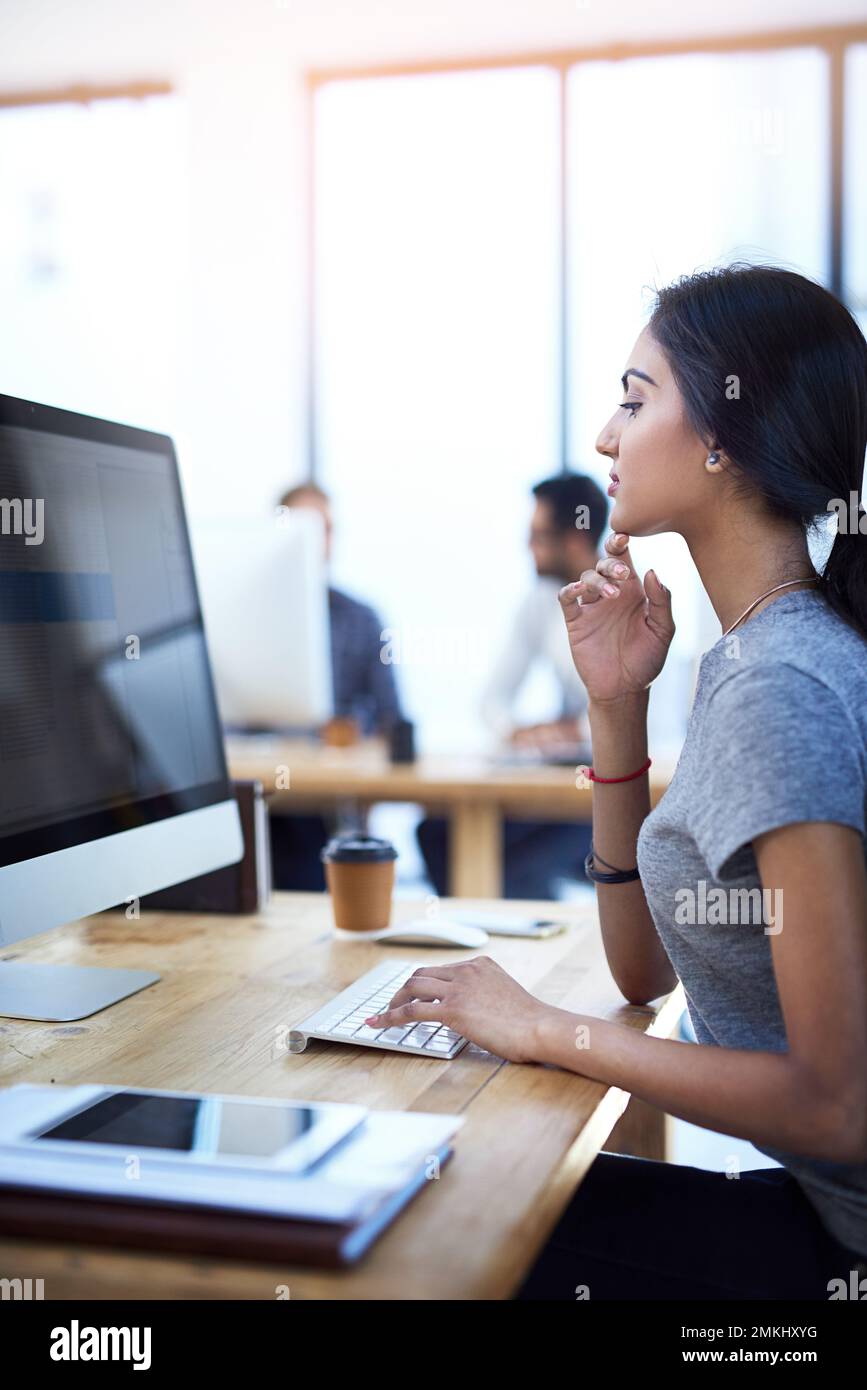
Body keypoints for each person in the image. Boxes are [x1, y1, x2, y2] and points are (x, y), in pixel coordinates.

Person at [367, 264, 867, 1298]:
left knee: (437, 1228)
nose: (604, 436)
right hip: (824, 1221)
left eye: (635, 400)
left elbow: (838, 1102)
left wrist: (544, 1027)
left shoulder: (783, 683)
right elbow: (644, 971)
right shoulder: (753, 655)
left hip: (841, 1257)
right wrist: (615, 708)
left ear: (726, 434)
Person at [417, 473, 607, 900]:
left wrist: (576, 731)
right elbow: (491, 702)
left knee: (513, 863)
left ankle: (518, 944)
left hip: (611, 795)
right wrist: (519, 730)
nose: (528, 547)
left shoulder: (629, 596)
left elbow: (656, 722)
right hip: (560, 782)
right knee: (436, 832)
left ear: (575, 541)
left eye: (538, 536)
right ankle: (476, 938)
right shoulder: (540, 602)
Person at [269, 482, 403, 890]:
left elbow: (391, 720)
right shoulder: (242, 617)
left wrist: (351, 728)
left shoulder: (361, 618)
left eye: (325, 529)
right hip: (257, 796)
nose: (317, 541)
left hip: (326, 803)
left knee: (306, 840)